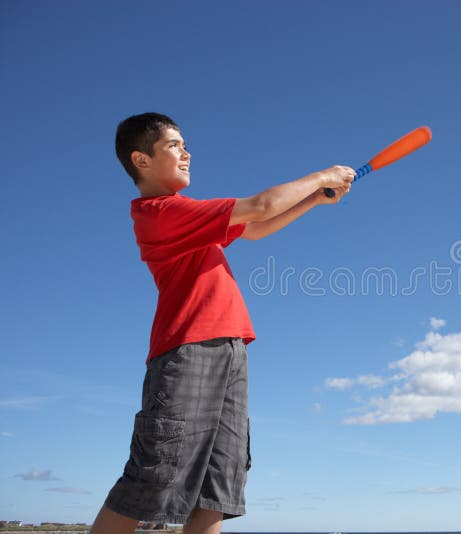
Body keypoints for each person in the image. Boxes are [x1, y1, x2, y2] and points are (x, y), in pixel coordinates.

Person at [90, 112, 353, 534]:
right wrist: (323, 174)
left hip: (231, 350)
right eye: (174, 145)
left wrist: (314, 199)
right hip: (190, 350)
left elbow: (256, 228)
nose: (187, 152)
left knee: (218, 491)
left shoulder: (188, 217)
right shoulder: (159, 213)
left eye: (185, 144)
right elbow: (261, 205)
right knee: (152, 476)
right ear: (141, 160)